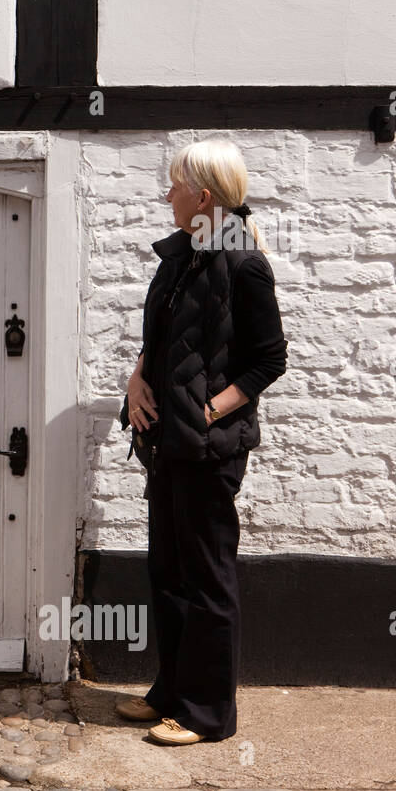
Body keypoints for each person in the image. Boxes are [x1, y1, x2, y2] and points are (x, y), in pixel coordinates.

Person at [116, 138, 288, 745]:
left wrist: (210, 411)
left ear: (204, 196)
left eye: (175, 185)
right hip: (165, 445)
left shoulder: (244, 265)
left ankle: (207, 714)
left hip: (210, 451)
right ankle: (171, 692)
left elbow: (269, 360)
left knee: (208, 578)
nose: (167, 194)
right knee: (167, 570)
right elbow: (160, 335)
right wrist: (138, 378)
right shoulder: (181, 256)